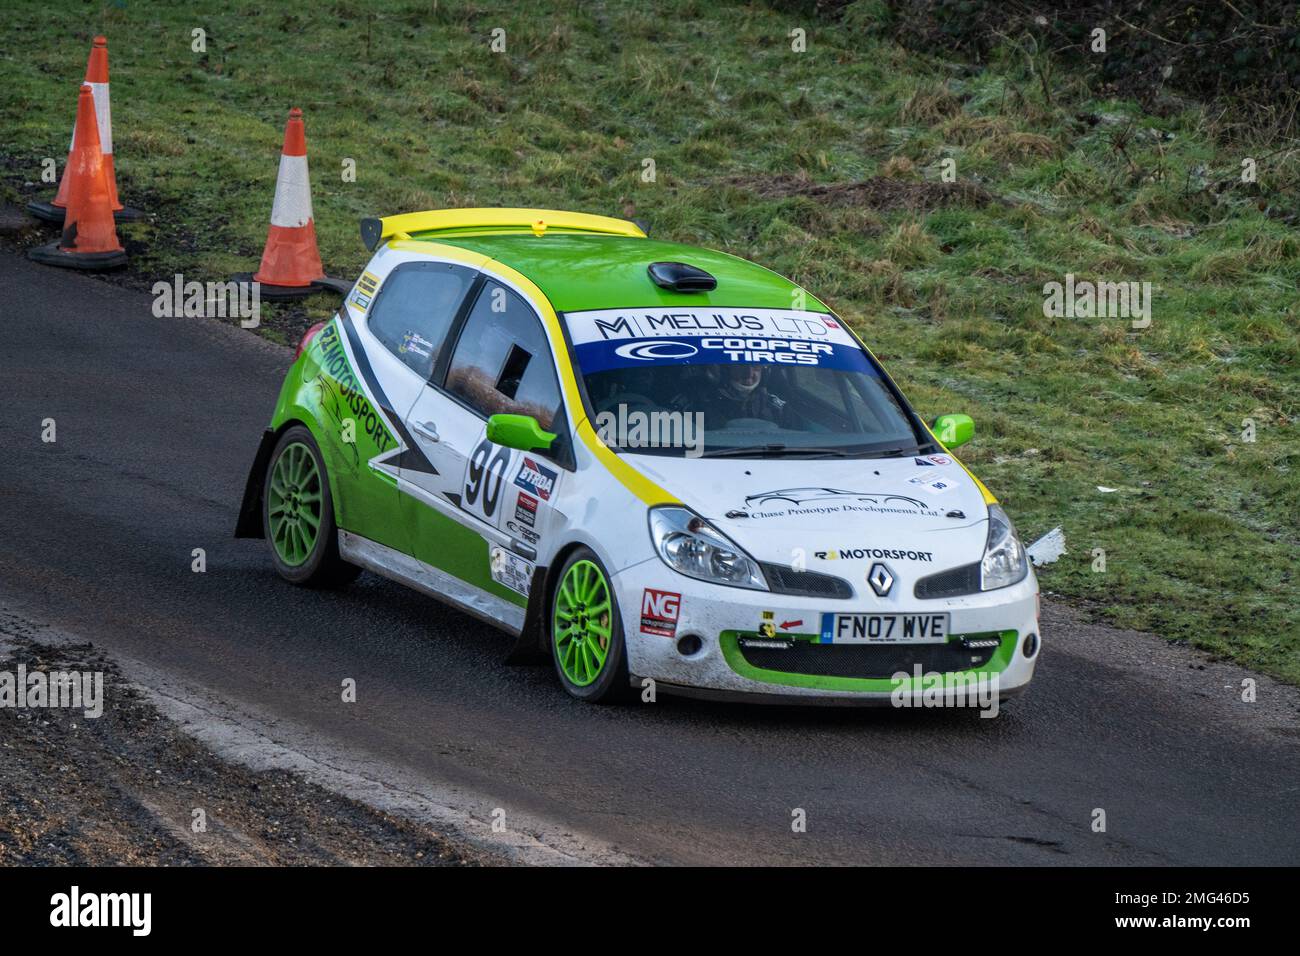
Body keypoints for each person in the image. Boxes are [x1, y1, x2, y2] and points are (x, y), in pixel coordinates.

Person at [701, 364, 788, 429]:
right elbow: (694, 449)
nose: (749, 374)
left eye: (756, 366)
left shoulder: (777, 407)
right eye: (741, 366)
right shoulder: (700, 406)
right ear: (726, 371)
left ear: (764, 372)